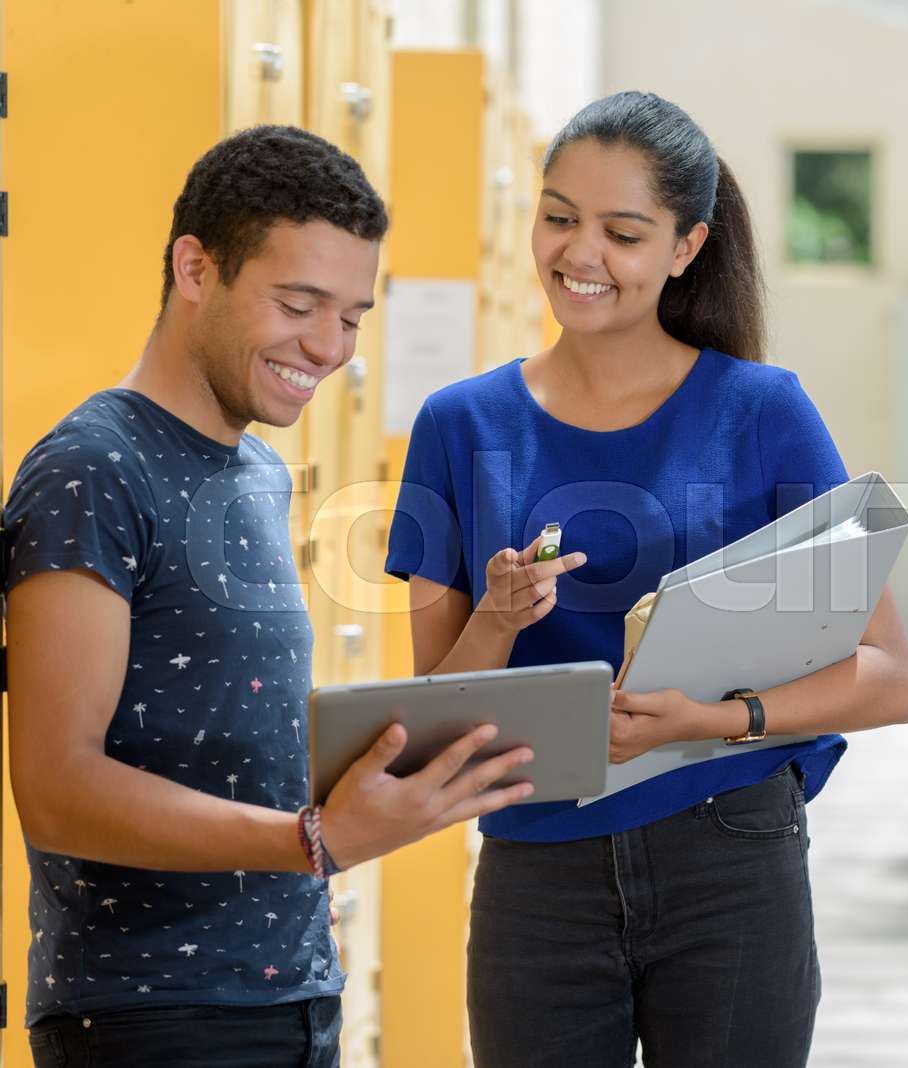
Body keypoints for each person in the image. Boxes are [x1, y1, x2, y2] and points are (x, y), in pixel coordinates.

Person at [384, 90, 908, 1068]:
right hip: (536, 869)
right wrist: (497, 619)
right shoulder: (457, 425)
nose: (579, 254)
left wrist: (711, 721)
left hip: (730, 852)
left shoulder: (763, 411)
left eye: (622, 233)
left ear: (686, 247)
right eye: (558, 217)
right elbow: (436, 716)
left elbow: (891, 678)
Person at [3, 125, 535, 1068]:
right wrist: (313, 838)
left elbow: (232, 729)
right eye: (298, 304)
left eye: (353, 317)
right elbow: (56, 788)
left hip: (291, 998)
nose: (329, 347)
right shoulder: (92, 469)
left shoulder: (256, 467)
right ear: (195, 269)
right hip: (152, 1018)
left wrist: (488, 628)